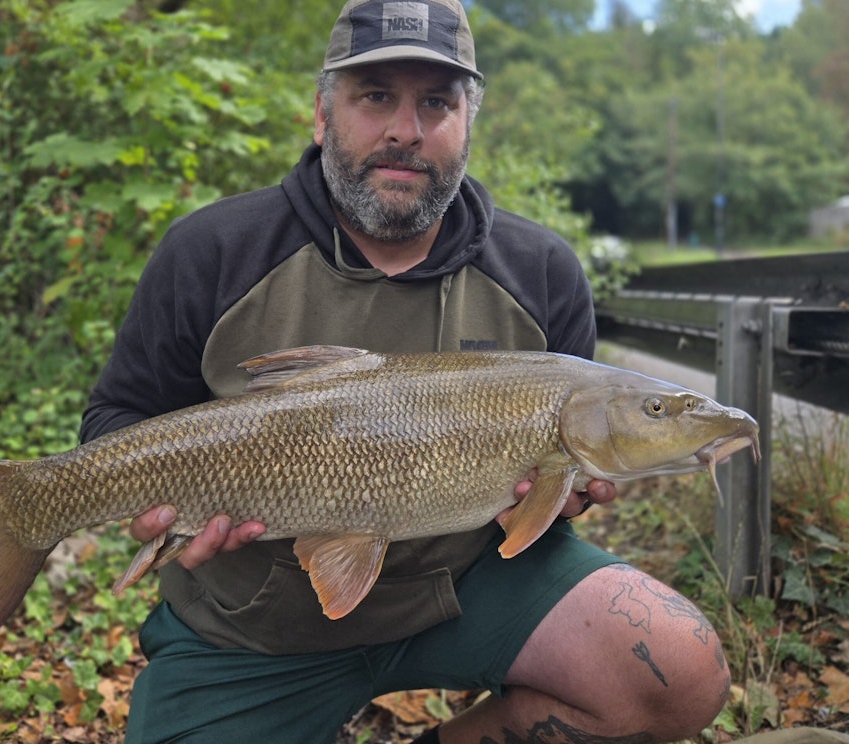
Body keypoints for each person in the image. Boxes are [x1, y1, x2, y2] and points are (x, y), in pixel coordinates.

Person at [79, 0, 730, 741]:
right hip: (254, 626)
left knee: (678, 671)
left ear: (467, 123)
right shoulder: (212, 250)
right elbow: (115, 421)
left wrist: (562, 497)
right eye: (376, 96)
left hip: (472, 589)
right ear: (323, 115)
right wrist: (149, 504)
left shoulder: (541, 270)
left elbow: (549, 508)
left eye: (436, 102)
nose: (405, 130)